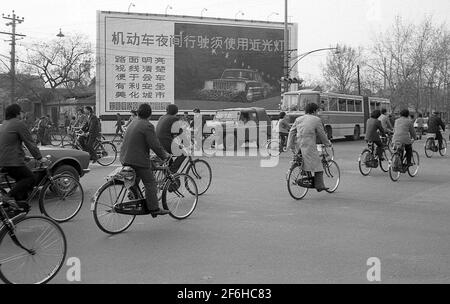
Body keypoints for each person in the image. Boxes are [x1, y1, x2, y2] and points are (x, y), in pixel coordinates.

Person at [120, 103, 170, 216]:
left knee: (138, 176)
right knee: (150, 182)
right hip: (137, 160)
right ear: (150, 115)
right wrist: (165, 156)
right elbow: (155, 145)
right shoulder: (147, 126)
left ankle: (135, 197)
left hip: (125, 157)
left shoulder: (133, 123)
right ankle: (154, 209)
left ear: (138, 113)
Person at [0, 104, 47, 213]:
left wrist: (24, 156)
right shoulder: (18, 124)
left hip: (4, 160)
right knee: (30, 178)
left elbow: (9, 144)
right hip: (11, 162)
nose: (22, 114)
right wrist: (39, 158)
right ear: (17, 113)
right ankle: (8, 196)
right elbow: (30, 142)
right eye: (21, 112)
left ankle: (17, 208)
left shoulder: (4, 124)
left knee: (20, 181)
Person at [287, 103, 331, 192]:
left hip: (299, 145)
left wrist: (290, 145)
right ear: (314, 111)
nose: (318, 113)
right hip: (309, 145)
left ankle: (305, 173)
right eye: (317, 111)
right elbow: (321, 134)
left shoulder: (298, 119)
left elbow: (292, 132)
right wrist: (327, 143)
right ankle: (319, 186)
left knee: (303, 160)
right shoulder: (316, 120)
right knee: (318, 166)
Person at [156, 104, 186, 173]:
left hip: (158, 144)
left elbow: (169, 132)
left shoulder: (162, 117)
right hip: (166, 144)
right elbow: (181, 133)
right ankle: (172, 171)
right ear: (176, 112)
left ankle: (168, 176)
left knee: (169, 160)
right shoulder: (174, 119)